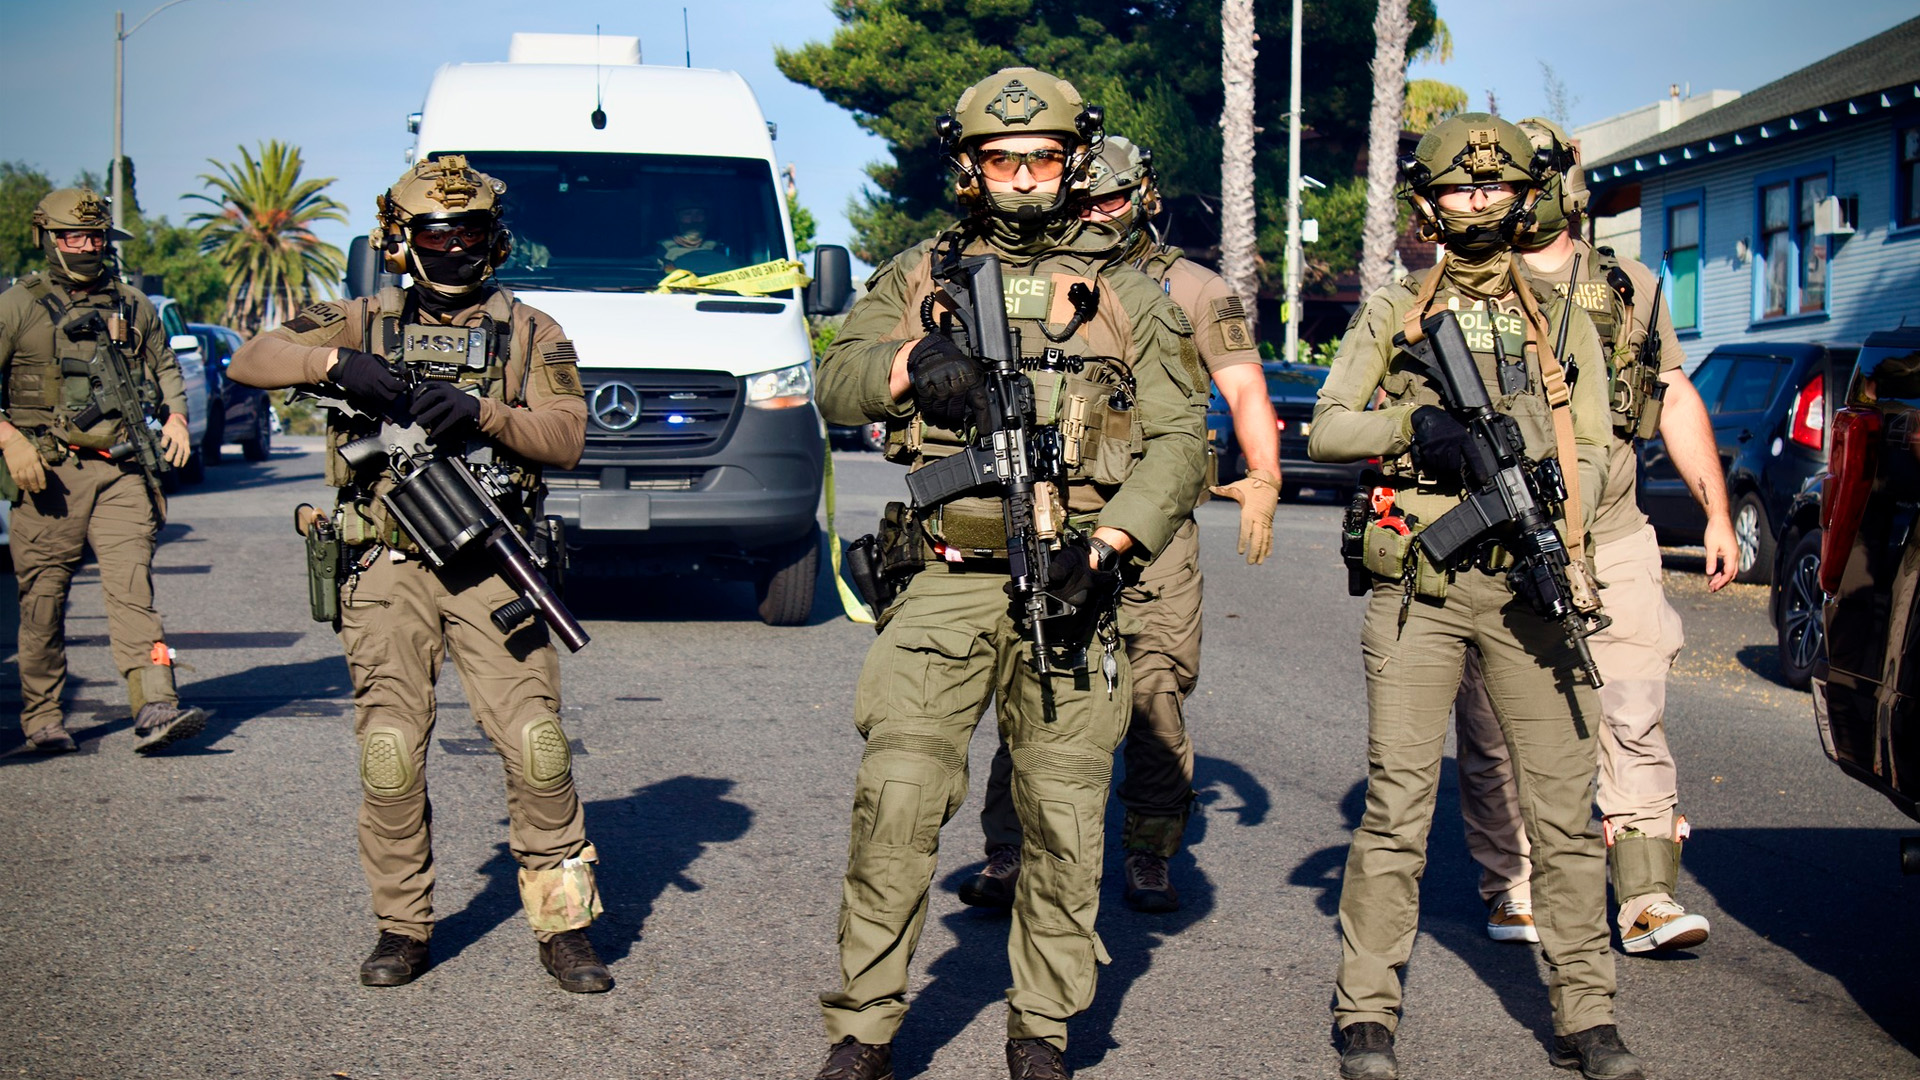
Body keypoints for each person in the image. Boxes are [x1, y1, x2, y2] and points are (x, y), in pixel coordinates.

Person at [809, 68, 1209, 1080]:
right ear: (970, 167)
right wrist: (912, 362)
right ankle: (864, 1029)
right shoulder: (918, 273)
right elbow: (835, 381)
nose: (1024, 177)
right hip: (943, 578)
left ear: (1073, 163)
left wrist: (1108, 548)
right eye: (1002, 159)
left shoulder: (1131, 296)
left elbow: (1180, 446)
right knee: (899, 800)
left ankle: (1041, 1030)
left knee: (1064, 818)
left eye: (1042, 158)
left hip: (1073, 583)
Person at [1307, 114, 1644, 1080]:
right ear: (1430, 202)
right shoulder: (1396, 309)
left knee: (1565, 812)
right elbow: (1329, 427)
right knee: (1397, 807)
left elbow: (1594, 445)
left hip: (1532, 580)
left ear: (1526, 197)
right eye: (1460, 187)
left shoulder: (1566, 316)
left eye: (1495, 186)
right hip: (1425, 582)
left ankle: (1588, 1015)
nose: (1479, 201)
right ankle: (1366, 1013)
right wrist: (1416, 432)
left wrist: (1555, 515)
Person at [229, 155, 611, 995]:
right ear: (402, 240)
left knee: (538, 747)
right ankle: (402, 926)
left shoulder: (531, 331)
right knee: (391, 753)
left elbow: (567, 436)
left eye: (469, 231)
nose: (454, 248)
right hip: (385, 564)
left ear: (494, 238)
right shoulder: (356, 319)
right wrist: (335, 368)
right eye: (435, 234)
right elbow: (250, 359)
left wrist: (483, 412)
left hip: (489, 564)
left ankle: (564, 926)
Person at [961, 135, 1280, 915]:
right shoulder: (1033, 277)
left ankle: (1149, 848)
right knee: (1034, 675)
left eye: (1111, 198)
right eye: (1085, 199)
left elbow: (1243, 386)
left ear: (1144, 195)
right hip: (1052, 511)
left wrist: (1265, 476)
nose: (1097, 212)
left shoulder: (1193, 288)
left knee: (1154, 688)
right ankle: (1010, 847)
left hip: (1156, 522)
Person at [1452, 116, 1732, 955]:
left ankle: (1646, 896)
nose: (1499, 195)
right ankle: (1514, 885)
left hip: (1612, 533)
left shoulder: (1628, 285)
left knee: (1634, 706)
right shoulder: (1462, 281)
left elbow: (1671, 394)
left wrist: (1716, 511)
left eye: (1518, 178)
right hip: (1497, 538)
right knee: (1498, 724)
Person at [0, 188, 205, 755]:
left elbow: (165, 365)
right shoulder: (15, 306)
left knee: (133, 589)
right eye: (74, 236)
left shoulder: (132, 303)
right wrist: (10, 440)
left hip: (122, 471)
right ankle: (43, 717)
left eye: (96, 236)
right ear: (47, 238)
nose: (88, 246)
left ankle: (155, 704)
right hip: (49, 476)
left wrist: (177, 417)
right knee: (43, 602)